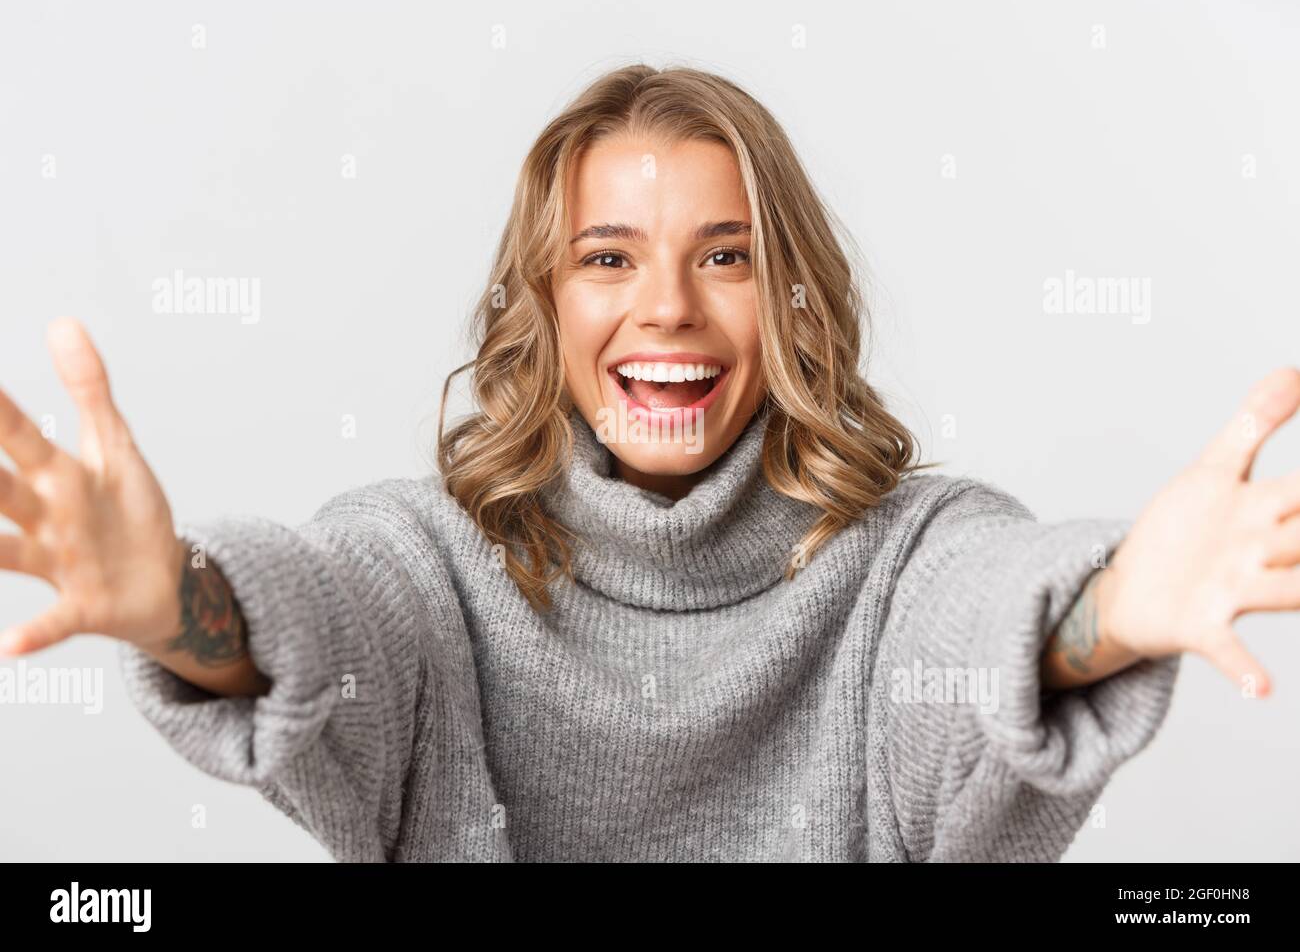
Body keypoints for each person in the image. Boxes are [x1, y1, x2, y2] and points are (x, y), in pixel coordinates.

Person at [2, 64, 1297, 862]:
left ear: (793, 297)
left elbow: (988, 619)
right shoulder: (435, 558)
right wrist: (179, 603)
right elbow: (331, 627)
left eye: (726, 255)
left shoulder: (910, 556)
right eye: (608, 257)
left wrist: (1113, 609)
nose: (668, 305)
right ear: (544, 302)